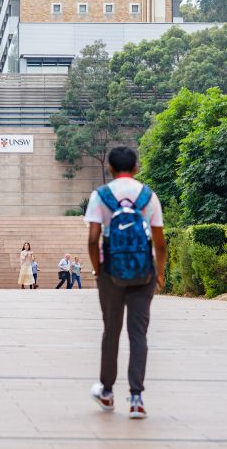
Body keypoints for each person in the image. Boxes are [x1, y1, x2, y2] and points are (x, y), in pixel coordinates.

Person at [85, 146, 166, 420]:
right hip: (144, 273)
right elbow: (160, 243)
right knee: (138, 334)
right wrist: (160, 272)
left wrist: (99, 269)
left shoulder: (101, 195)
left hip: (111, 272)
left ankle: (107, 392)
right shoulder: (148, 196)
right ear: (136, 167)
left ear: (110, 168)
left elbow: (93, 240)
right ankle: (136, 399)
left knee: (111, 331)